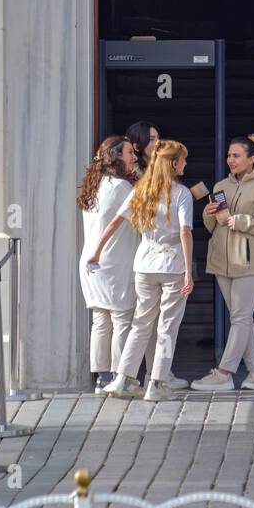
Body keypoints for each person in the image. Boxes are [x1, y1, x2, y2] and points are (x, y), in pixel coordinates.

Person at [88, 140, 194, 402]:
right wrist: (189, 271)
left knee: (140, 324)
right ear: (172, 163)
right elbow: (185, 231)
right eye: (182, 160)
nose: (185, 164)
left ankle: (123, 378)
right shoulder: (182, 194)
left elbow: (115, 222)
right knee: (167, 326)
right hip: (173, 265)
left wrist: (96, 251)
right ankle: (157, 382)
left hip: (145, 264)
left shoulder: (141, 190)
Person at [192, 134, 254, 393]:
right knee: (241, 318)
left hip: (249, 261)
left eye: (236, 155)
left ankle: (224, 373)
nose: (230, 160)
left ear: (251, 159)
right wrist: (208, 214)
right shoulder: (221, 185)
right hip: (221, 259)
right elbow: (213, 225)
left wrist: (242, 221)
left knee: (240, 317)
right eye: (229, 155)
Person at [76, 135, 138, 393]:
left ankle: (102, 378)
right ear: (115, 157)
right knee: (122, 319)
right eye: (129, 153)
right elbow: (146, 216)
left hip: (91, 263)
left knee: (101, 321)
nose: (134, 157)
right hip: (114, 263)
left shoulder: (94, 186)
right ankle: (118, 376)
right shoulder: (121, 188)